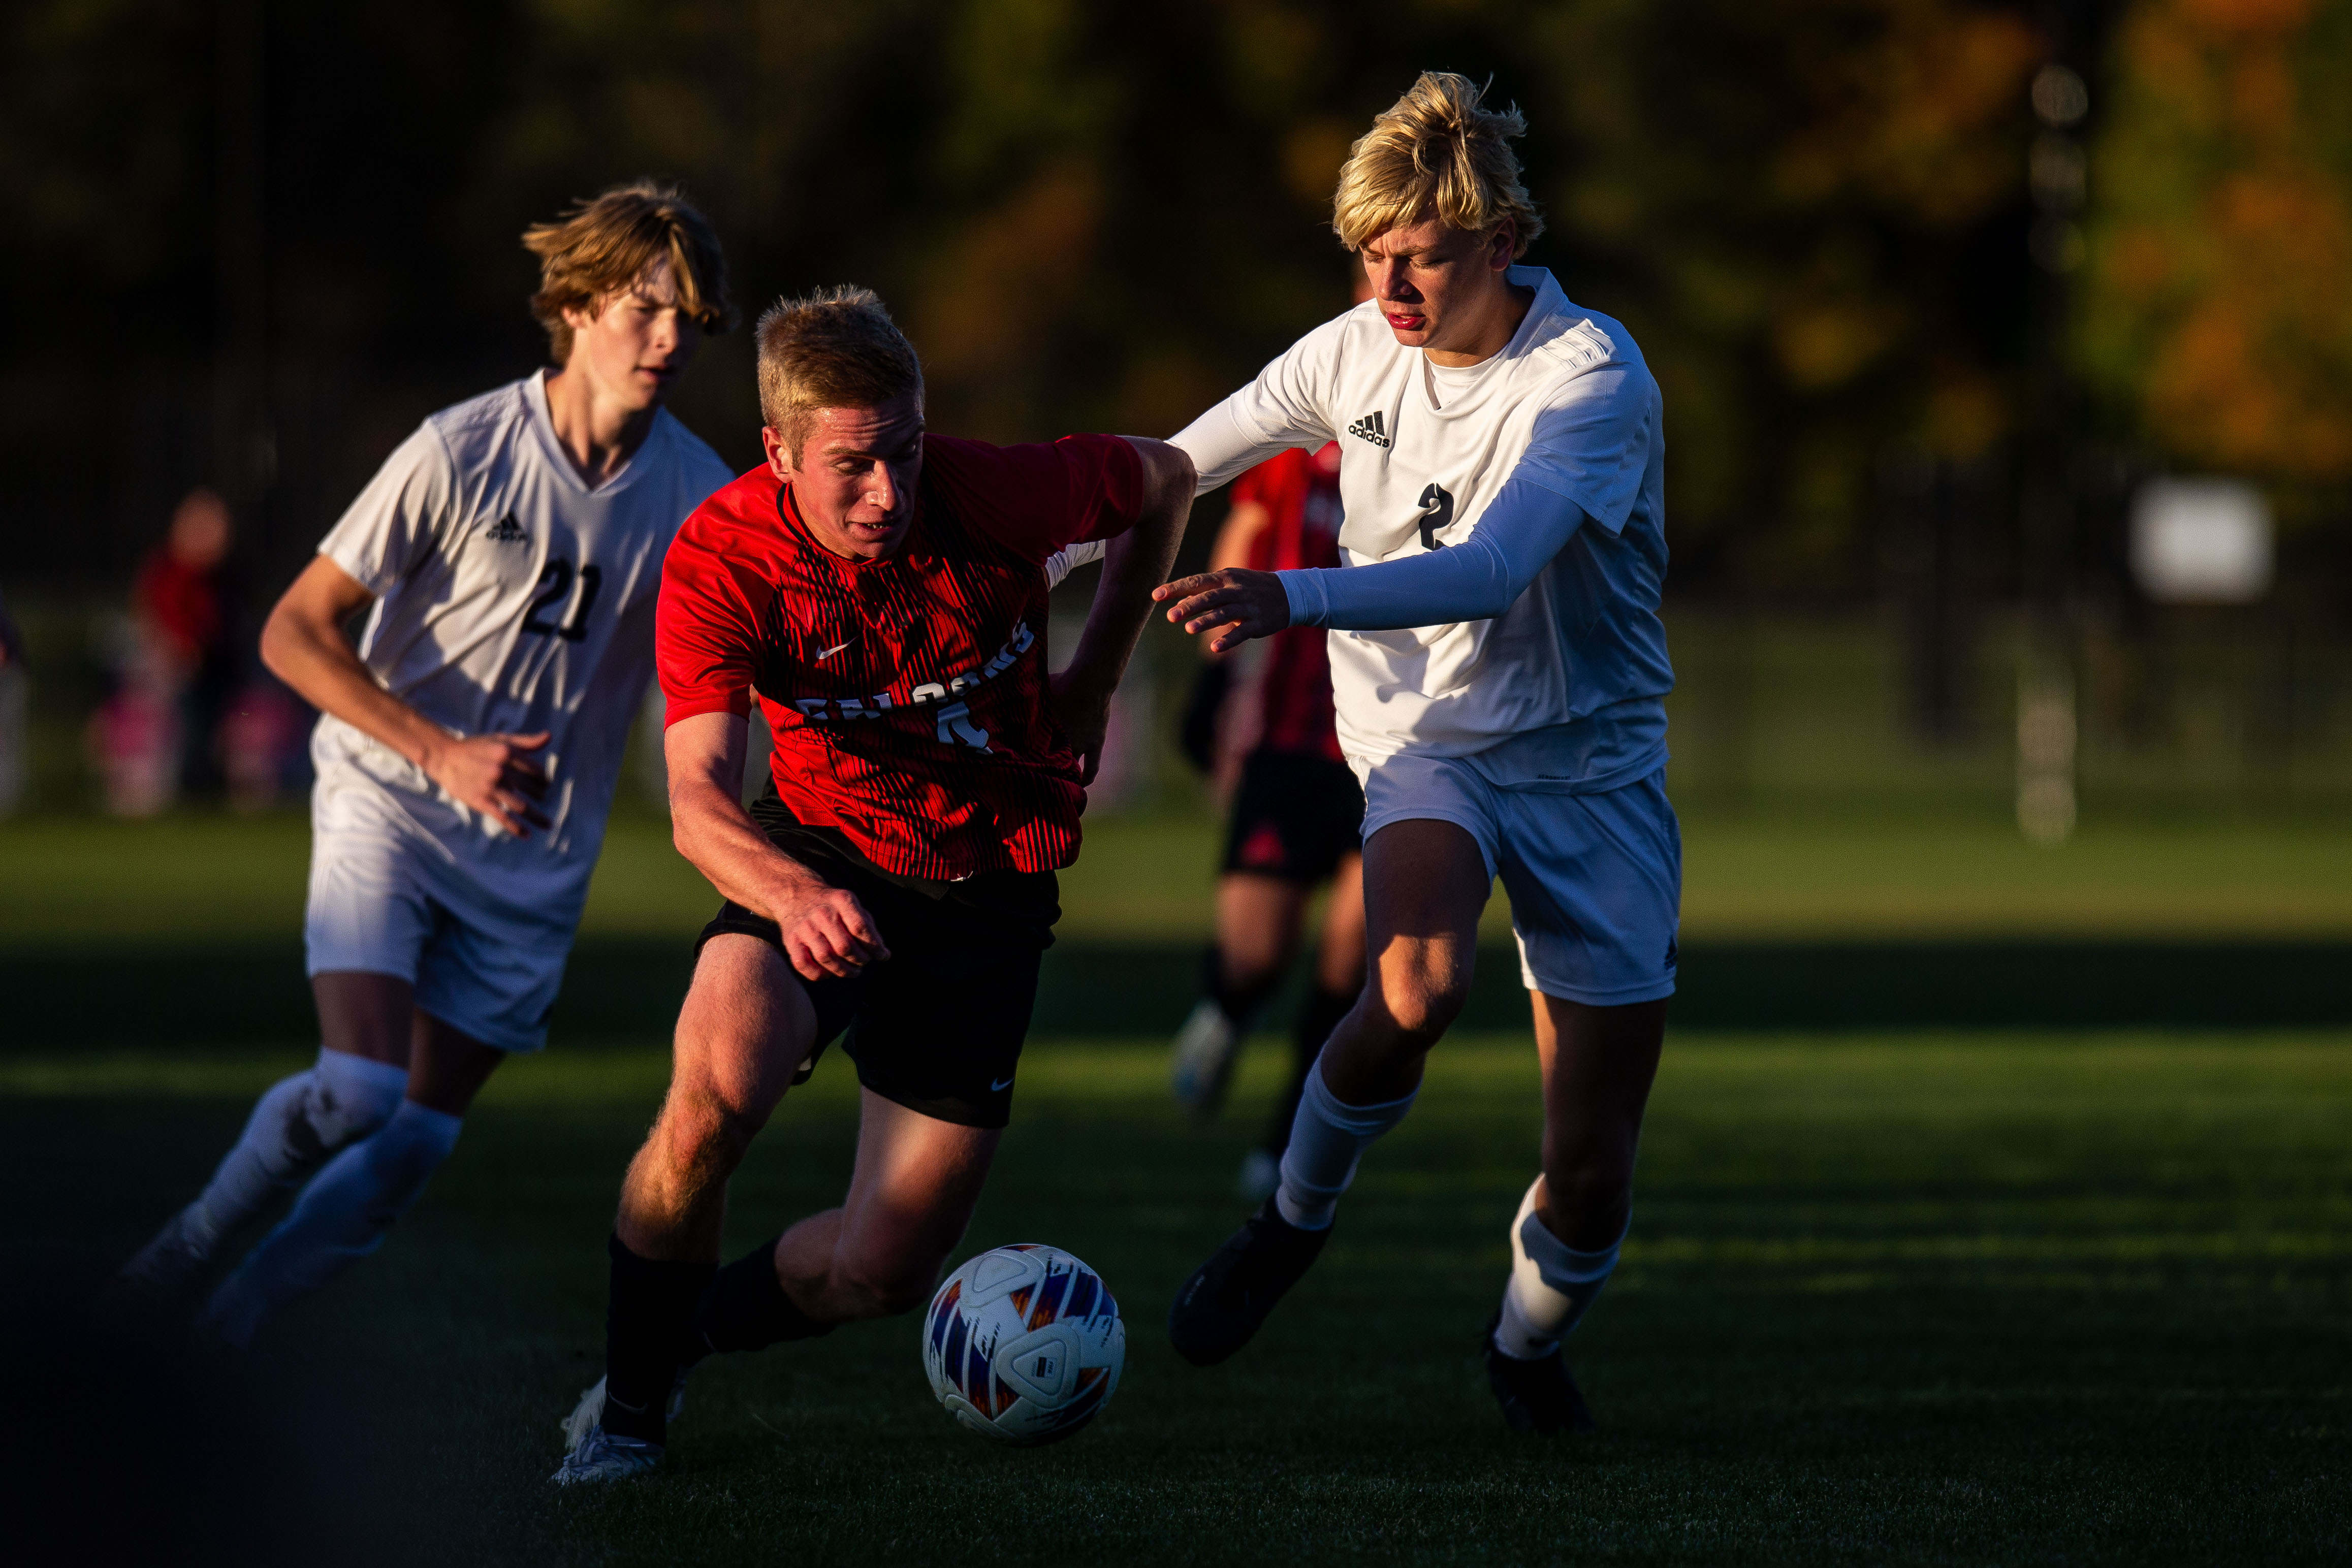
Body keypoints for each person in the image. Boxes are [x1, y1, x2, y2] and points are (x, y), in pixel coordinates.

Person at [553, 285, 1191, 1484]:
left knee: (886, 1269)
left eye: (902, 451)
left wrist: (1093, 681)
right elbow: (696, 803)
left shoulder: (995, 491)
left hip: (992, 883)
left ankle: (680, 1326)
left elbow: (1162, 480)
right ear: (778, 452)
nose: (888, 494)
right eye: (852, 465)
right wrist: (793, 897)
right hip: (819, 853)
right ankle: (627, 1417)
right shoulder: (721, 559)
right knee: (709, 1095)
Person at [98, 180, 739, 1347]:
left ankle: (231, 1333)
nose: (668, 338)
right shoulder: (463, 448)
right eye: (647, 307)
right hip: (390, 799)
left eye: (689, 317)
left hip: (539, 852)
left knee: (410, 1148)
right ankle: (176, 1261)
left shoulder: (704, 496)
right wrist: (438, 750)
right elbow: (292, 630)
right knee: (358, 1088)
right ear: (577, 303)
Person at [1153, 72, 1677, 1434]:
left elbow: (1494, 569)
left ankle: (1519, 1346)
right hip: (1423, 742)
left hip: (1590, 775)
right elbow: (1169, 467)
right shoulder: (1350, 351)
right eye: (1368, 251)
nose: (1388, 281)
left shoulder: (1588, 376)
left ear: (1501, 245)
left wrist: (1290, 593)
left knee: (1589, 1170)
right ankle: (1288, 1223)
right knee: (1413, 984)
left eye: (1421, 254)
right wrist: (1019, 538)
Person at [1165, 431, 1366, 1204]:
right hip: (1290, 742)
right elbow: (1243, 539)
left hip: (1400, 752)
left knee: (1353, 964)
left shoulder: (1457, 439)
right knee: (1254, 954)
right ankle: (1227, 1010)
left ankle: (1287, 1140)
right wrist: (1211, 684)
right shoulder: (1294, 451)